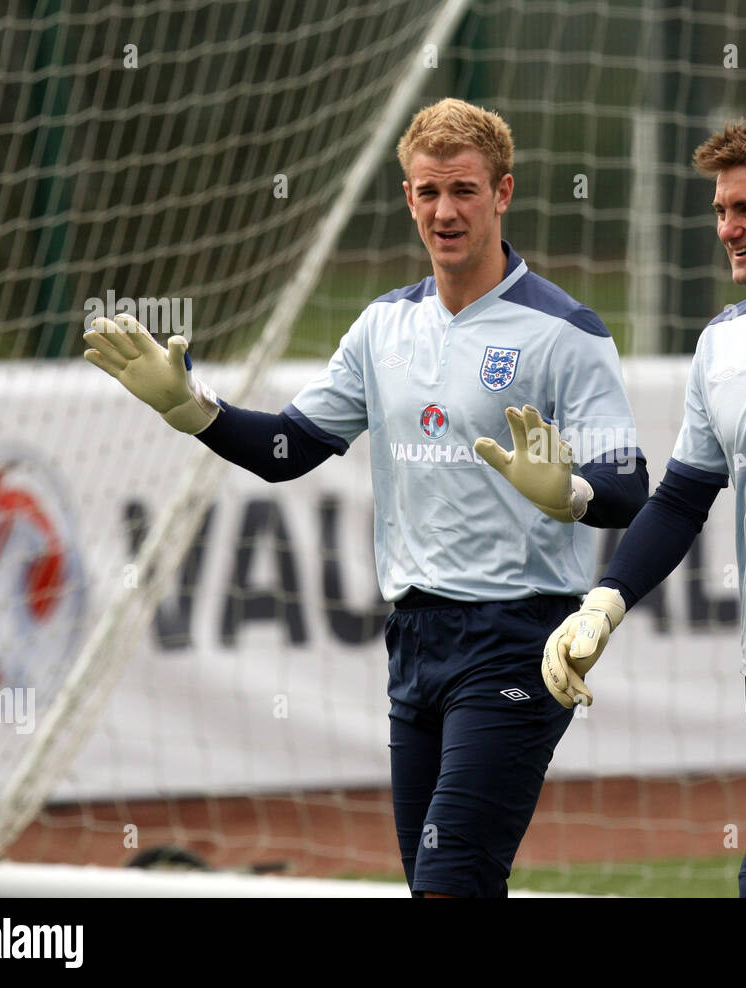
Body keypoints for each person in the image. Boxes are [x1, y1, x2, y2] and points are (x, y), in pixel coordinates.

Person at [82, 98, 649, 897]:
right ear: (409, 197)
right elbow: (288, 450)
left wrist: (570, 494)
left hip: (519, 637)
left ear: (504, 193)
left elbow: (631, 487)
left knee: (452, 875)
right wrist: (191, 408)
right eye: (427, 192)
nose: (444, 211)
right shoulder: (384, 326)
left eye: (462, 190)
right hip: (414, 638)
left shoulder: (567, 330)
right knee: (435, 881)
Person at [538, 116, 746, 897]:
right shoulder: (721, 342)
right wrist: (604, 604)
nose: (728, 228)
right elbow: (684, 497)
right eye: (721, 209)